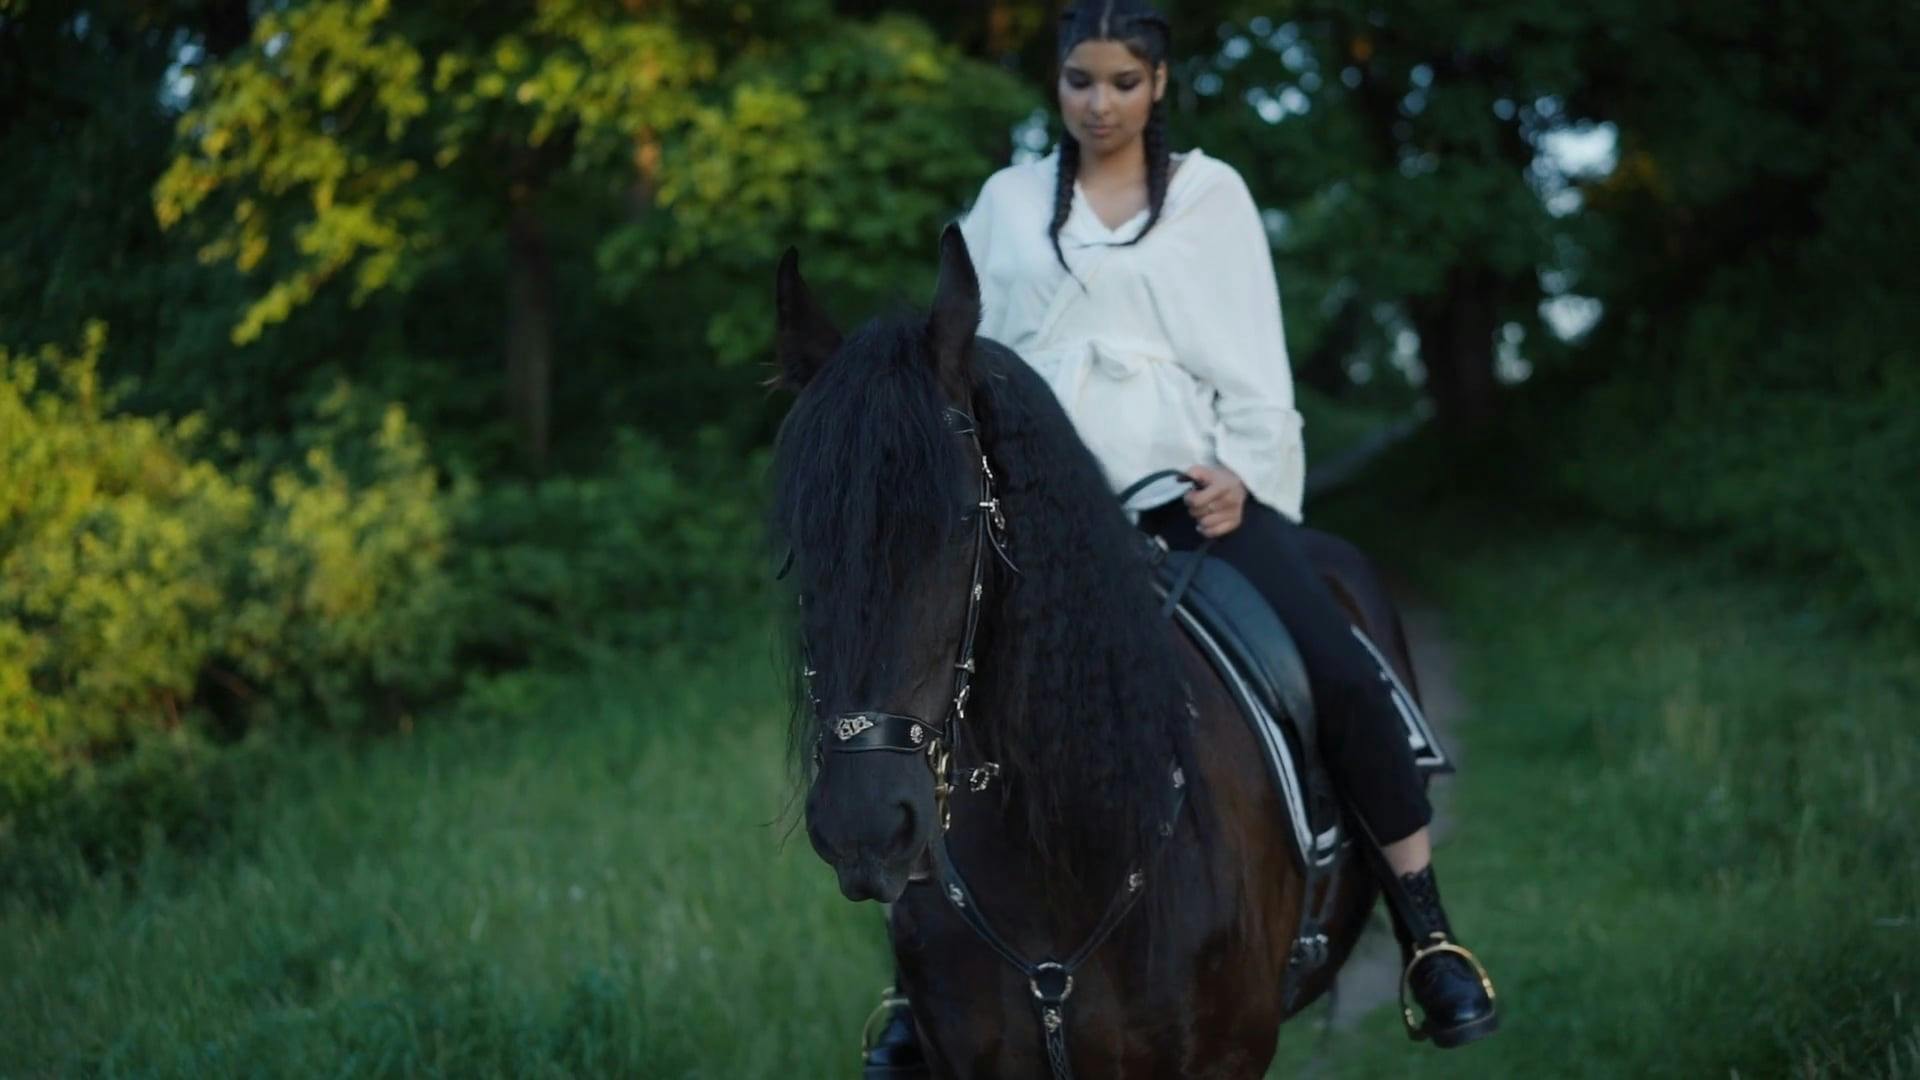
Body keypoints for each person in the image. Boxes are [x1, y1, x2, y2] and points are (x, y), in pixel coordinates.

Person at [860, 2, 1499, 1072]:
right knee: (926, 706)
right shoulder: (1007, 205)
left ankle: (1428, 931)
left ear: (1158, 84)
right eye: (1079, 81)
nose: (1099, 104)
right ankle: (914, 991)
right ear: (1055, 85)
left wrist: (1243, 477)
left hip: (1189, 504)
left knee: (1340, 672)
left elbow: (1256, 357)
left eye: (1122, 81)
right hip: (1037, 525)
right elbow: (961, 365)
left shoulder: (1211, 197)